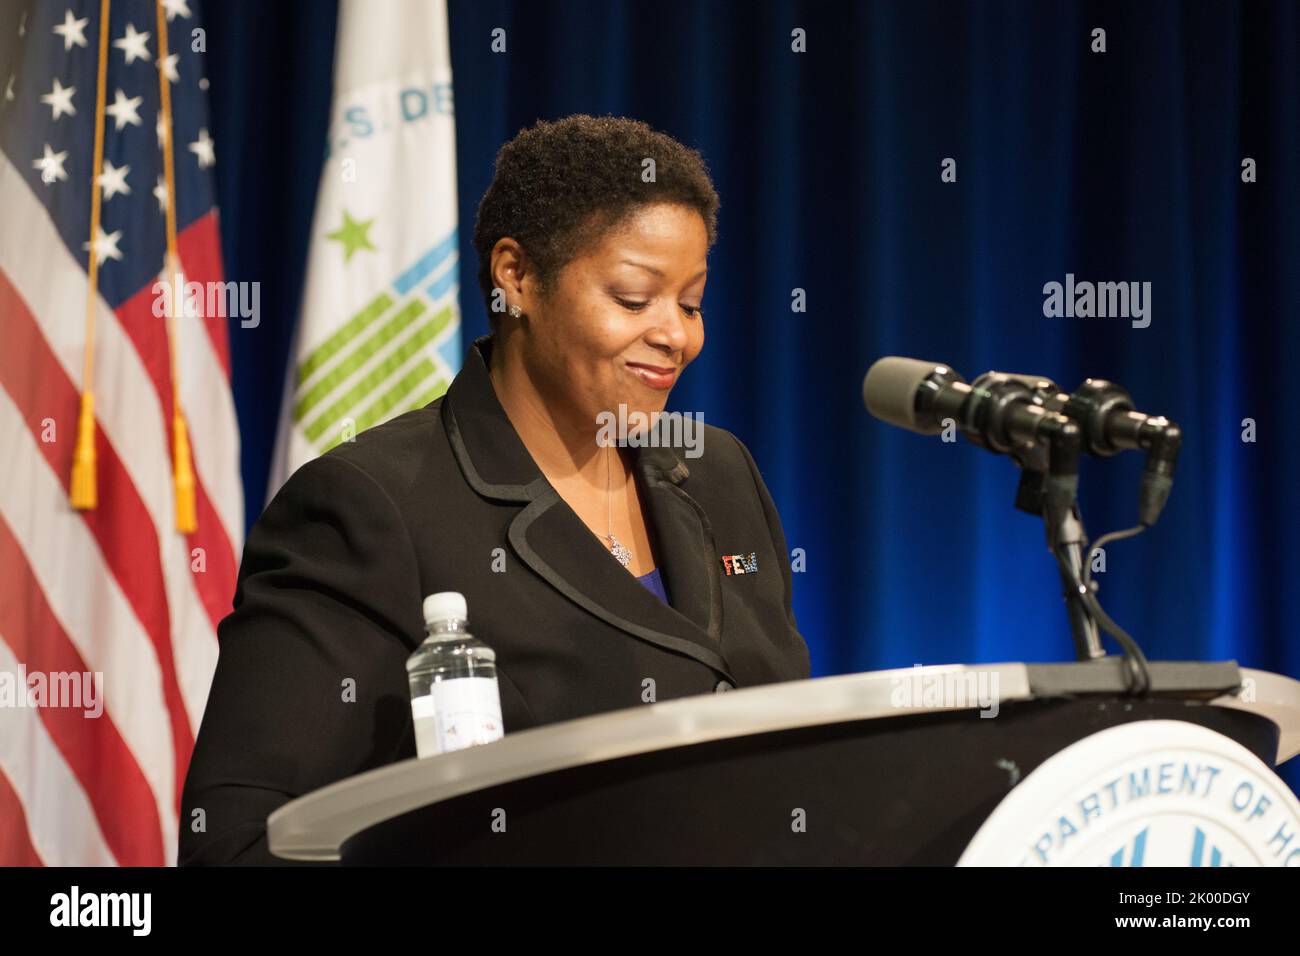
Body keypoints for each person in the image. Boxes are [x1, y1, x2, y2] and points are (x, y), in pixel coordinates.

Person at [179, 115, 811, 865]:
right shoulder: (369, 509)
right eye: (636, 297)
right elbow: (239, 844)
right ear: (517, 278)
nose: (678, 335)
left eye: (692, 302)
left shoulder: (715, 470)